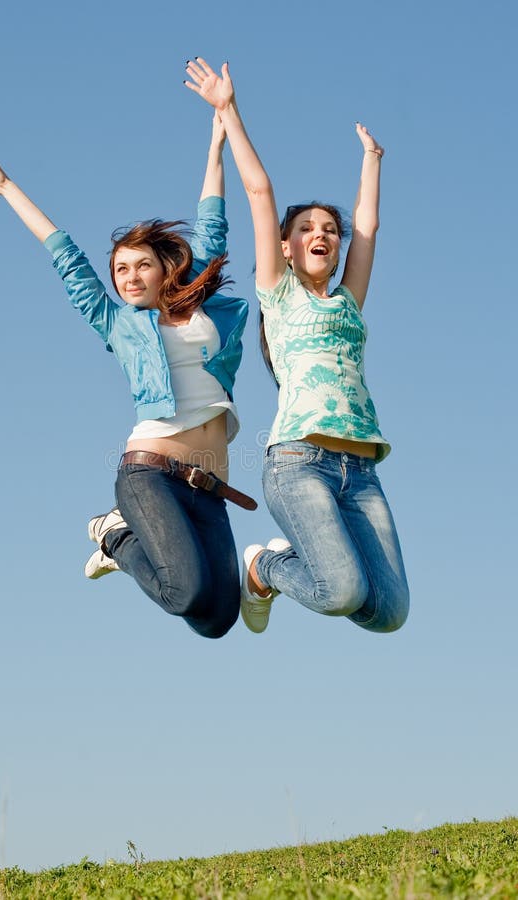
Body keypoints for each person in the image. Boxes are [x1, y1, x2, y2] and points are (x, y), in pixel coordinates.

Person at [0, 113, 254, 639]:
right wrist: (9, 188)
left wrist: (216, 145)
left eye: (141, 266)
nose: (129, 277)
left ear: (164, 268)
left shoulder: (204, 307)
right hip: (150, 472)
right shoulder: (118, 323)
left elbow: (212, 226)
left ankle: (123, 535)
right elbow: (67, 259)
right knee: (186, 593)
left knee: (217, 619)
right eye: (120, 269)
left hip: (210, 486)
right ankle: (116, 535)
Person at [185, 58, 409, 635]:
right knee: (340, 592)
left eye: (329, 231)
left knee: (389, 613)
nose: (321, 236)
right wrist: (227, 110)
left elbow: (369, 226)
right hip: (298, 461)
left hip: (360, 468)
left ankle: (286, 564)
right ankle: (266, 566)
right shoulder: (278, 295)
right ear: (286, 247)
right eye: (307, 229)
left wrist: (372, 161)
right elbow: (260, 191)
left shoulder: (348, 303)